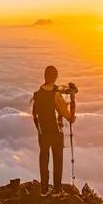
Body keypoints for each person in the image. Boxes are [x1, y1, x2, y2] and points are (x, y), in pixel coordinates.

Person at [31, 66, 75, 194]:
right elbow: (68, 116)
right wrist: (72, 104)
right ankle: (57, 189)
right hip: (56, 133)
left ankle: (44, 189)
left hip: (43, 133)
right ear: (55, 77)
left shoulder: (37, 94)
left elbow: (35, 115)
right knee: (58, 160)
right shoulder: (56, 94)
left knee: (44, 159)